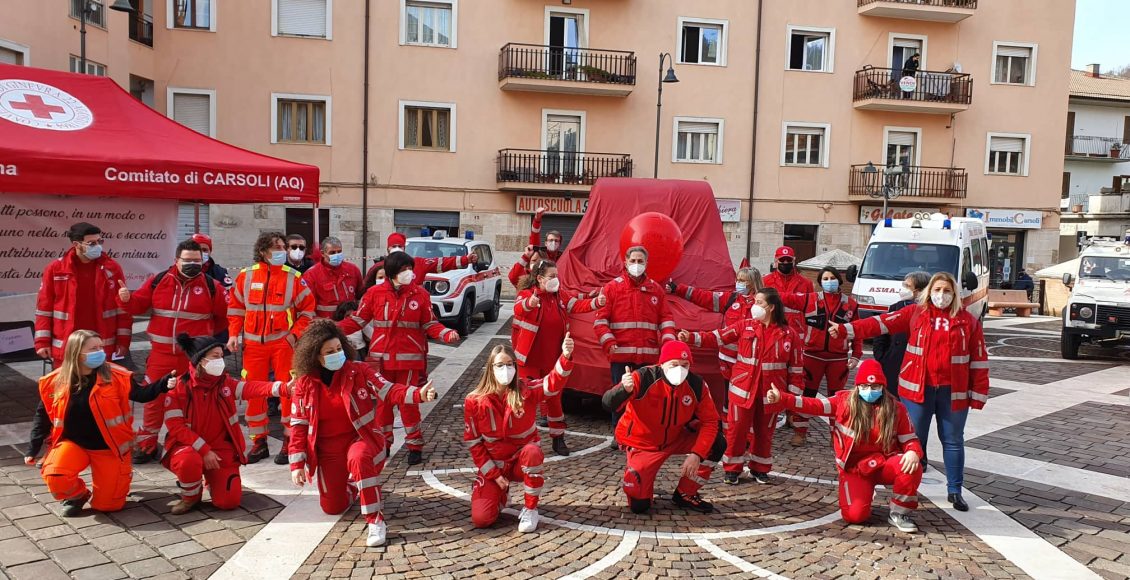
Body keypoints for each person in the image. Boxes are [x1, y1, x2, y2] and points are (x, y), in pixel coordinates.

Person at [830, 272, 989, 512]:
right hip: (917, 390)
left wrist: (978, 394)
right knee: (913, 441)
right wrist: (846, 330)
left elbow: (978, 359)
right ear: (929, 292)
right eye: (937, 290)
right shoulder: (915, 313)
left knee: (954, 441)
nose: (941, 295)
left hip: (953, 393)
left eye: (947, 291)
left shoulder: (968, 322)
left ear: (955, 294)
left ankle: (955, 490)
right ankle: (908, 486)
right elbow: (880, 323)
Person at [290, 320, 437, 547]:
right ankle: (352, 487)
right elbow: (298, 424)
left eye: (339, 349)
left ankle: (375, 520)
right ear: (315, 357)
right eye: (329, 352)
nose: (336, 355)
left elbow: (388, 390)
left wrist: (417, 394)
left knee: (358, 459)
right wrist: (297, 464)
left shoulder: (358, 370)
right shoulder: (304, 384)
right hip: (327, 451)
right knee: (332, 507)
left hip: (360, 439)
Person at [765, 359, 924, 533]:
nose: (869, 391)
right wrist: (783, 398)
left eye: (875, 387)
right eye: (864, 386)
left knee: (911, 466)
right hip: (854, 468)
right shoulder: (843, 402)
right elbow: (815, 405)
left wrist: (913, 452)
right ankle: (862, 492)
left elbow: (910, 440)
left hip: (884, 463)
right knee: (855, 516)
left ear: (883, 387)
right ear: (857, 387)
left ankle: (899, 513)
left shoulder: (896, 408)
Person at [26, 330, 173, 516]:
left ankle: (118, 479)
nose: (100, 352)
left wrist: (163, 384)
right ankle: (77, 496)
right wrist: (33, 448)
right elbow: (43, 415)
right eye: (93, 348)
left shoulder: (116, 376)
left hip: (110, 448)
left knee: (108, 506)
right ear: (76, 352)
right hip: (73, 444)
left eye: (101, 347)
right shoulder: (55, 381)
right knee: (56, 474)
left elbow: (141, 395)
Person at [339, 251, 459, 465]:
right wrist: (330, 330)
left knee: (408, 403)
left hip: (409, 361)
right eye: (403, 270)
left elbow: (430, 323)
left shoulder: (420, 294)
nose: (409, 273)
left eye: (410, 269)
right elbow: (357, 320)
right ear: (392, 272)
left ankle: (414, 445)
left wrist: (445, 333)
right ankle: (384, 443)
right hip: (380, 361)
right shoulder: (374, 294)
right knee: (383, 406)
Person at [121, 239, 228, 464]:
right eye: (187, 261)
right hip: (161, 355)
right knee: (154, 400)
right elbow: (137, 306)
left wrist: (203, 344)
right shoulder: (158, 281)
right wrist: (126, 300)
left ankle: (188, 443)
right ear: (176, 261)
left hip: (194, 358)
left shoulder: (212, 286)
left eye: (197, 261)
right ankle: (147, 444)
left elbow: (222, 319)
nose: (193, 264)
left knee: (194, 401)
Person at [683, 288, 804, 484]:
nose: (754, 306)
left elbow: (797, 369)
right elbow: (717, 337)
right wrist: (690, 338)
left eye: (759, 302)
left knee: (764, 433)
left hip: (771, 394)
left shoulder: (789, 335)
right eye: (754, 301)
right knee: (736, 431)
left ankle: (760, 468)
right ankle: (732, 469)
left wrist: (793, 400)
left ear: (771, 307)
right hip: (742, 390)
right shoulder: (745, 326)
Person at [162, 334, 291, 515]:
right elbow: (176, 428)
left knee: (228, 502)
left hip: (222, 449)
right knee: (188, 461)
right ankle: (191, 497)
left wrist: (282, 388)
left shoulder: (225, 383)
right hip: (189, 447)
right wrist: (204, 450)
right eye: (215, 357)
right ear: (200, 360)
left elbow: (251, 388)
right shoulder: (178, 389)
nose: (220, 361)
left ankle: (212, 480)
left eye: (221, 357)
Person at [463, 335, 574, 532]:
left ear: (515, 366)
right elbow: (474, 444)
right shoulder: (474, 401)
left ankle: (531, 509)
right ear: (490, 368)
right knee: (481, 519)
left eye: (509, 364)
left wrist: (565, 356)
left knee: (532, 452)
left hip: (521, 462)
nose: (505, 369)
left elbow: (552, 383)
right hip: (495, 465)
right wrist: (495, 476)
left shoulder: (526, 390)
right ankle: (499, 494)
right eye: (499, 365)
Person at [601, 341, 726, 514]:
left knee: (717, 443)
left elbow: (711, 422)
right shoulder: (643, 377)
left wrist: (697, 454)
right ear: (662, 363)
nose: (680, 369)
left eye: (685, 365)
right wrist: (624, 389)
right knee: (640, 506)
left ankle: (686, 493)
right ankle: (642, 481)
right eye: (674, 364)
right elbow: (608, 403)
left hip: (675, 438)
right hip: (642, 444)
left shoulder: (696, 384)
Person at [227, 231, 317, 465]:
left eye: (283, 247)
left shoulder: (294, 277)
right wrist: (234, 334)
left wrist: (294, 336)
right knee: (253, 391)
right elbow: (236, 308)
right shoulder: (245, 277)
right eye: (277, 247)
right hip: (253, 345)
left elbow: (308, 310)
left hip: (282, 344)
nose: (282, 251)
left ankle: (290, 440)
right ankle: (259, 442)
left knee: (289, 390)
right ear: (263, 251)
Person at [512, 259, 598, 456]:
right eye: (552, 277)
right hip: (529, 360)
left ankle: (558, 438)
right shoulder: (527, 294)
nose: (556, 280)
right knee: (526, 401)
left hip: (553, 359)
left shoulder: (559, 296)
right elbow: (519, 308)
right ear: (540, 278)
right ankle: (523, 441)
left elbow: (577, 305)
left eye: (557, 276)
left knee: (554, 399)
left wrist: (596, 302)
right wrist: (530, 302)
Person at [594, 246, 676, 427]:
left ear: (646, 263)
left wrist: (669, 344)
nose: (636, 265)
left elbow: (666, 319)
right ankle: (620, 433)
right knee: (620, 396)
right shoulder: (612, 288)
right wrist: (608, 341)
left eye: (640, 261)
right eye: (633, 261)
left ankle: (643, 434)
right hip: (621, 355)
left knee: (646, 397)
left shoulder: (656, 290)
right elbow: (600, 321)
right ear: (626, 262)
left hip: (648, 356)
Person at [35, 222, 132, 367]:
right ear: (76, 244)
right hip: (67, 344)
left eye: (100, 241)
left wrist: (123, 341)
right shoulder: (55, 269)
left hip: (101, 344)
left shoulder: (112, 268)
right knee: (66, 388)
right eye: (91, 243)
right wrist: (42, 342)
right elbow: (44, 309)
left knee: (101, 387)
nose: (98, 246)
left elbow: (122, 310)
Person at [787, 267, 863, 447]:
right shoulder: (811, 300)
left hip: (838, 359)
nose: (830, 281)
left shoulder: (851, 304)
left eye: (832, 277)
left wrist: (856, 355)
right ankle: (800, 432)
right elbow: (785, 298)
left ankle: (835, 435)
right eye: (826, 278)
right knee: (807, 395)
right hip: (812, 357)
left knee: (837, 398)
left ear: (839, 280)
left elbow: (858, 331)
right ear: (820, 283)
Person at [667, 267, 764, 387]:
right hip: (727, 359)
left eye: (743, 281)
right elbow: (703, 296)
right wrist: (678, 289)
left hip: (750, 361)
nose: (738, 283)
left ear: (753, 282)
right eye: (737, 280)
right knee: (728, 396)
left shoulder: (762, 304)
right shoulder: (731, 299)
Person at [872, 271, 931, 398]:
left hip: (917, 365)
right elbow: (881, 332)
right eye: (904, 285)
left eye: (908, 286)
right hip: (892, 362)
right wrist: (881, 356)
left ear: (920, 290)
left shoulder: (929, 311)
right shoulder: (895, 307)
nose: (903, 289)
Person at [362, 233, 477, 289]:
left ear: (404, 248)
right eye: (393, 246)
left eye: (399, 246)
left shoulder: (417, 263)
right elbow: (365, 287)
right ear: (387, 248)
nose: (396, 248)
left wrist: (465, 259)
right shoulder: (379, 267)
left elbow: (441, 263)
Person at [304, 236, 364, 319]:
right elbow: (308, 307)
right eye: (332, 253)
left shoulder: (353, 270)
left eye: (339, 252)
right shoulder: (311, 274)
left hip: (350, 323)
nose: (336, 255)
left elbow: (361, 296)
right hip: (326, 325)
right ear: (322, 253)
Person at [762, 246, 810, 341]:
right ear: (776, 261)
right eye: (782, 260)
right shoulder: (765, 281)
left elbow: (810, 310)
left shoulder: (806, 283)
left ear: (794, 261)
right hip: (771, 329)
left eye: (788, 260)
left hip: (797, 332)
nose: (785, 263)